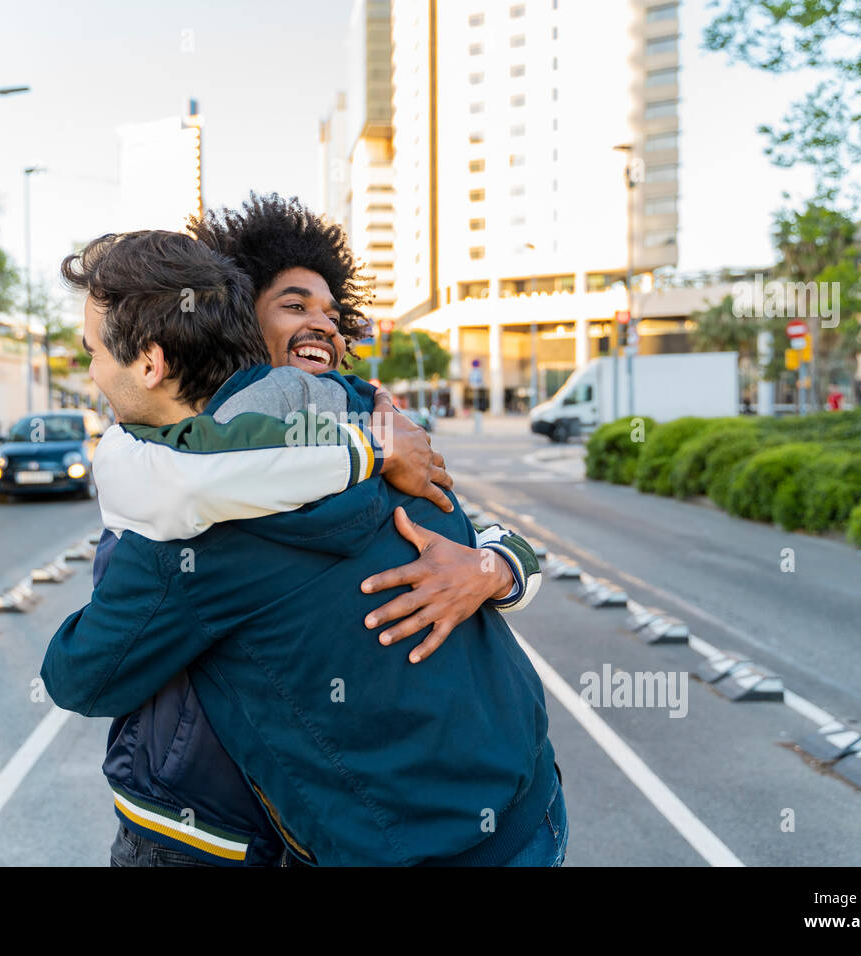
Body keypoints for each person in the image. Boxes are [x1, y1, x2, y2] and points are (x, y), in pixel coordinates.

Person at [42, 229, 564, 867]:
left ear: (152, 362)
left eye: (331, 313)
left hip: (360, 842)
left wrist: (491, 567)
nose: (322, 325)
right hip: (525, 809)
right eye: (294, 307)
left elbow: (78, 675)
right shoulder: (373, 431)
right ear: (239, 328)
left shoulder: (365, 433)